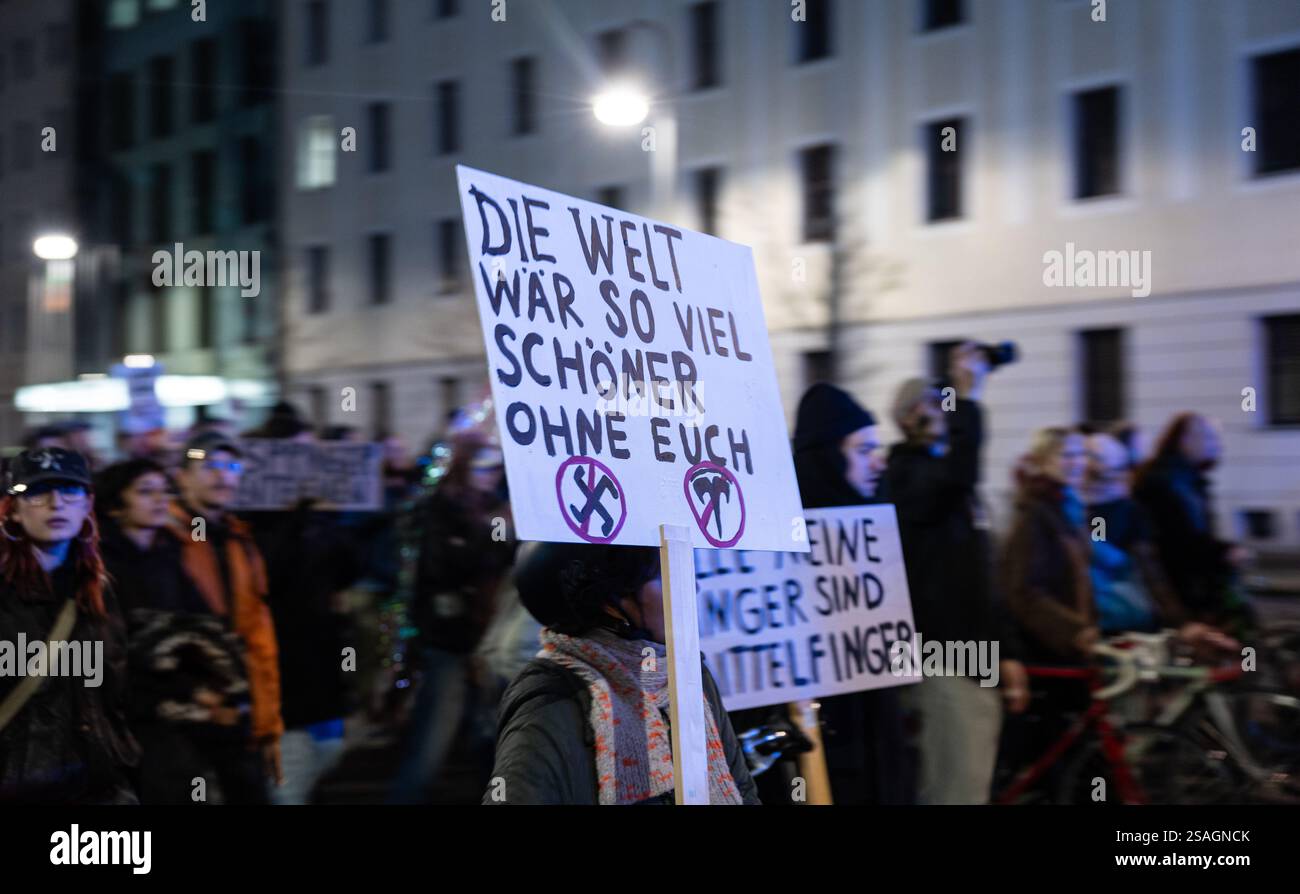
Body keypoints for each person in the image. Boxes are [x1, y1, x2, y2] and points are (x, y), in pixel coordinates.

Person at [485, 541, 759, 805]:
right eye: (665, 576)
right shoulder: (552, 699)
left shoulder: (685, 672)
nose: (693, 586)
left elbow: (741, 789)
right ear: (611, 603)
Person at [882, 344, 1027, 805]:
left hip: (974, 654)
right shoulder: (906, 474)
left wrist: (1006, 650)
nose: (944, 411)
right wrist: (966, 397)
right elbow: (958, 474)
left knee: (972, 781)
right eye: (934, 403)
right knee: (954, 788)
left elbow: (980, 577)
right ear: (907, 418)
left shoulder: (951, 488)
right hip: (942, 655)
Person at [96, 459, 258, 804]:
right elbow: (123, 647)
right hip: (134, 704)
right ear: (114, 505)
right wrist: (194, 692)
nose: (159, 500)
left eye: (163, 491)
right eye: (145, 492)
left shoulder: (167, 554)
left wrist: (217, 687)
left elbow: (199, 622)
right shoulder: (100, 564)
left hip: (182, 695)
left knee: (241, 769)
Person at [783, 382, 908, 805]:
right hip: (823, 735)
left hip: (877, 731)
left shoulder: (877, 524)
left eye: (878, 447)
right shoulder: (786, 533)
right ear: (828, 457)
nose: (878, 462)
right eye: (862, 450)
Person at [0, 448, 139, 803]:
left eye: (70, 491)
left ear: (86, 504)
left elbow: (112, 691)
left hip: (92, 781)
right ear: (12, 510)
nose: (55, 504)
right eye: (36, 493)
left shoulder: (97, 589)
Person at [388, 429, 516, 803]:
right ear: (462, 464)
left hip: (491, 639)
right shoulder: (438, 508)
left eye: (496, 466)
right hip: (450, 642)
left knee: (492, 743)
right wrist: (487, 532)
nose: (490, 473)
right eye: (482, 465)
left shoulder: (493, 505)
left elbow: (503, 563)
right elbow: (441, 570)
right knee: (431, 744)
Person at [170, 431, 283, 801]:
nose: (223, 475)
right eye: (209, 466)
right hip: (179, 710)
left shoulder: (239, 539)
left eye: (232, 466)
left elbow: (257, 635)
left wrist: (266, 725)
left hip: (235, 708)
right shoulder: (161, 535)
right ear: (182, 476)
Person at [1133, 413, 1254, 634]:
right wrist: (1221, 553)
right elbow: (1177, 540)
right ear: (1185, 440)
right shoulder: (1167, 482)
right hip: (1179, 587)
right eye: (1208, 438)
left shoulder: (1189, 479)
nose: (1217, 444)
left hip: (1192, 583)